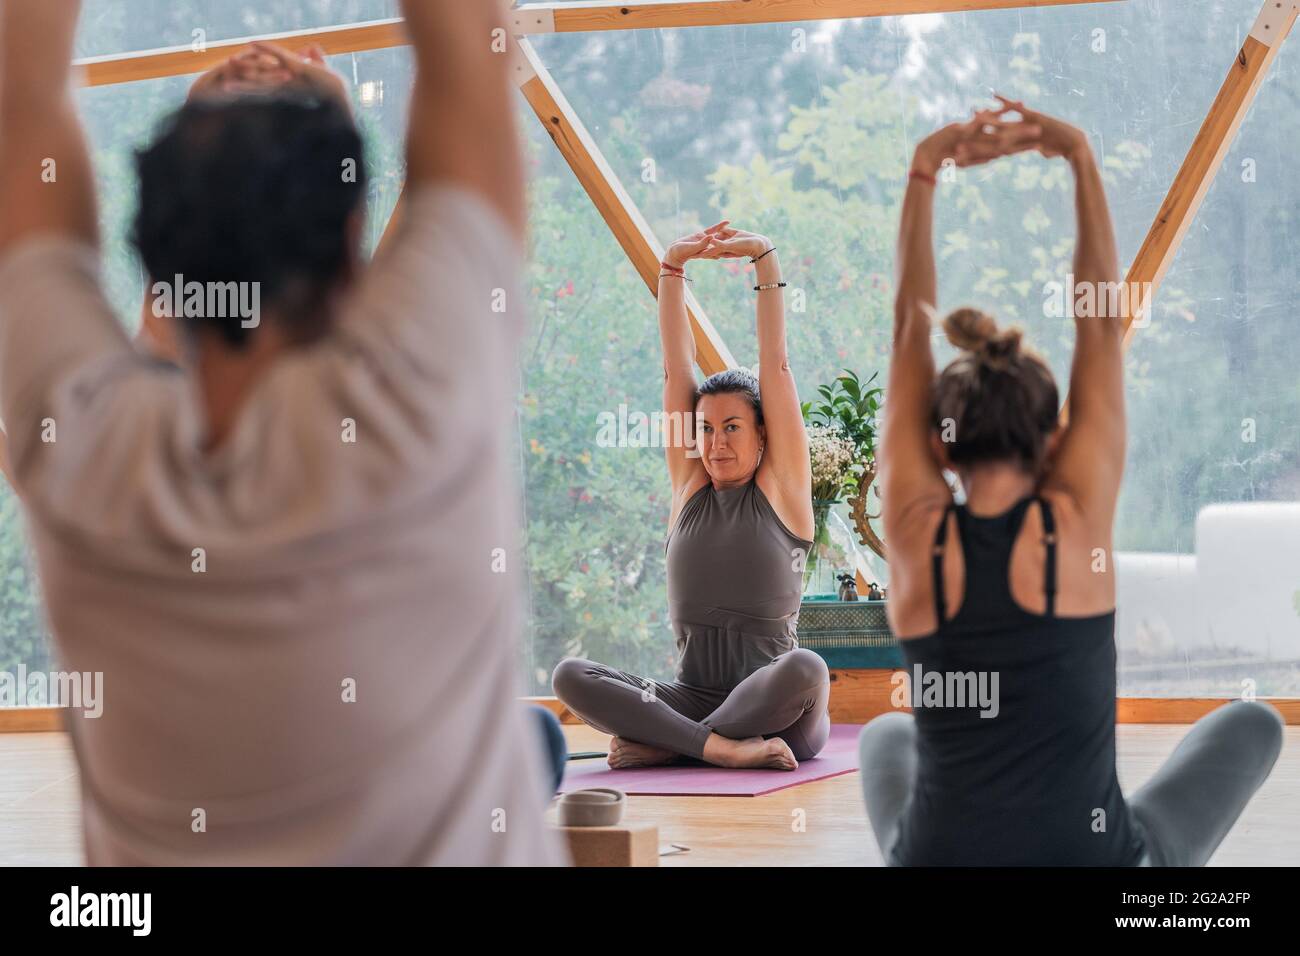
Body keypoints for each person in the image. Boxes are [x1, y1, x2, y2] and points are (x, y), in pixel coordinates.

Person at [0, 0, 564, 865]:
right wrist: (318, 122)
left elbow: (19, 107)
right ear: (352, 248)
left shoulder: (80, 443)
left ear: (155, 259)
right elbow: (467, 59)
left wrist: (226, 139)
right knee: (537, 746)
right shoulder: (410, 405)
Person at [857, 97, 1284, 866]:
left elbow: (906, 327)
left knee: (888, 732)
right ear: (1053, 440)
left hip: (939, 859)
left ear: (939, 446)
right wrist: (1078, 156)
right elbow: (1098, 321)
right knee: (1255, 725)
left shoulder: (918, 536)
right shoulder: (1075, 520)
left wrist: (925, 171)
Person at [552, 222, 831, 771]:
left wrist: (764, 259)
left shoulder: (782, 490)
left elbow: (775, 364)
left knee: (808, 668)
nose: (715, 442)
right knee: (569, 676)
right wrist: (671, 270)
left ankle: (675, 742)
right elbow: (674, 367)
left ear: (762, 436)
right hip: (691, 697)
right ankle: (714, 747)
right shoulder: (689, 487)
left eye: (732, 428)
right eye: (705, 429)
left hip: (776, 710)